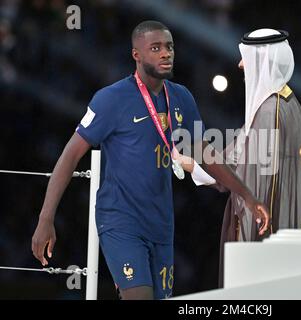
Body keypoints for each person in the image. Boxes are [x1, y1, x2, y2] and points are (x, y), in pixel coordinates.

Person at [31, 21, 269, 300]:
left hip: (161, 225)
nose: (165, 53)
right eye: (155, 48)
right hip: (120, 221)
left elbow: (207, 155)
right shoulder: (111, 99)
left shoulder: (182, 98)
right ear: (137, 55)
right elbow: (70, 155)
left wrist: (248, 196)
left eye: (169, 47)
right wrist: (46, 218)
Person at [180, 28, 301, 287]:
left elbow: (250, 184)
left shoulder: (269, 112)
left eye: (245, 58)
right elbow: (237, 155)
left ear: (261, 61)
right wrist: (194, 163)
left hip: (263, 237)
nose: (240, 65)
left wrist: (190, 162)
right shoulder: (287, 102)